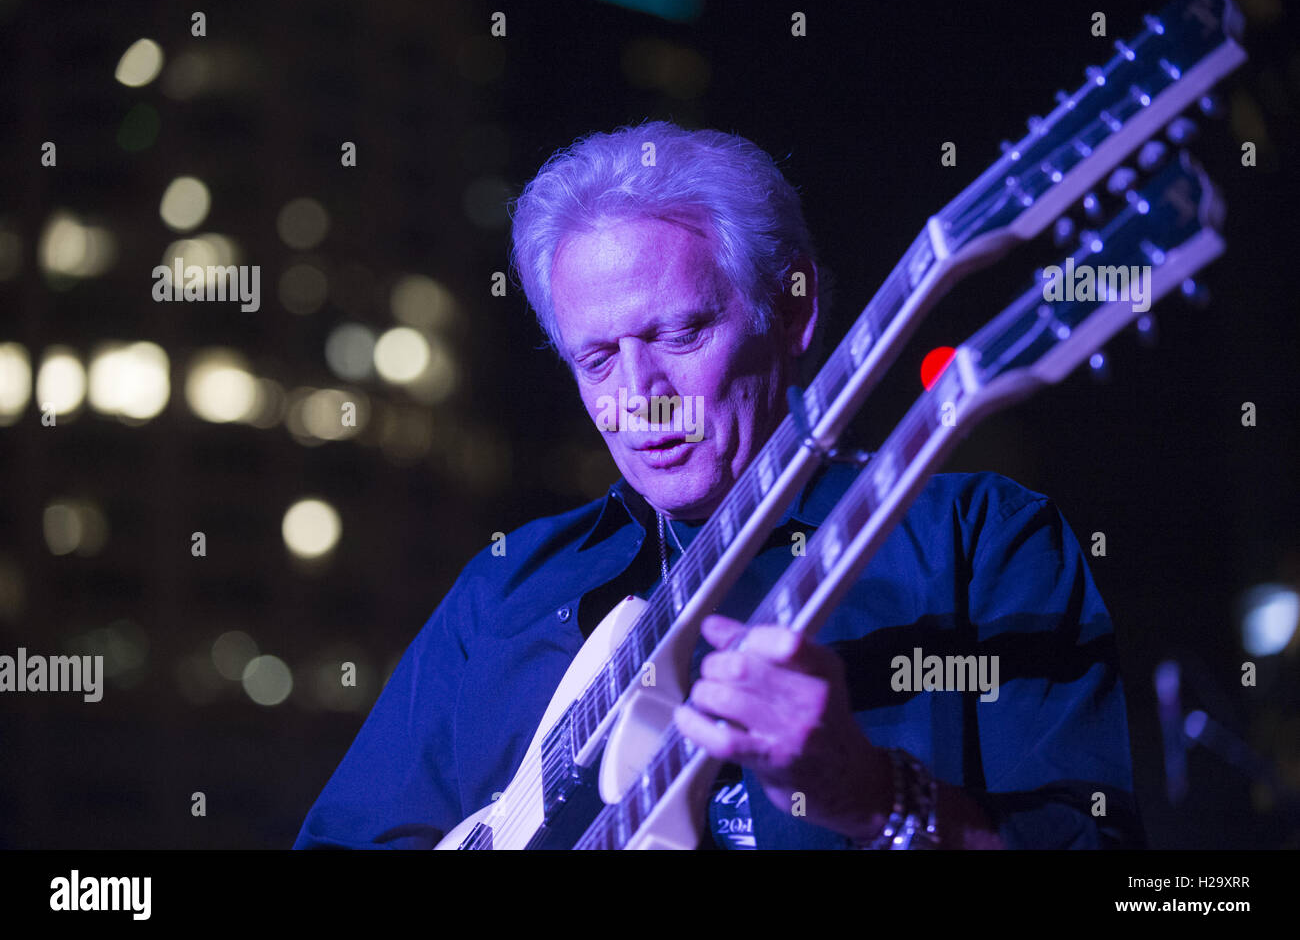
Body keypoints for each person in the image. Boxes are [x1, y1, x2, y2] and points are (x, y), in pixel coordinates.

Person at [293, 122, 1144, 850]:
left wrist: (874, 796)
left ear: (794, 311)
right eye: (598, 357)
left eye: (682, 331)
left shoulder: (980, 539)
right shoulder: (506, 587)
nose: (639, 395)